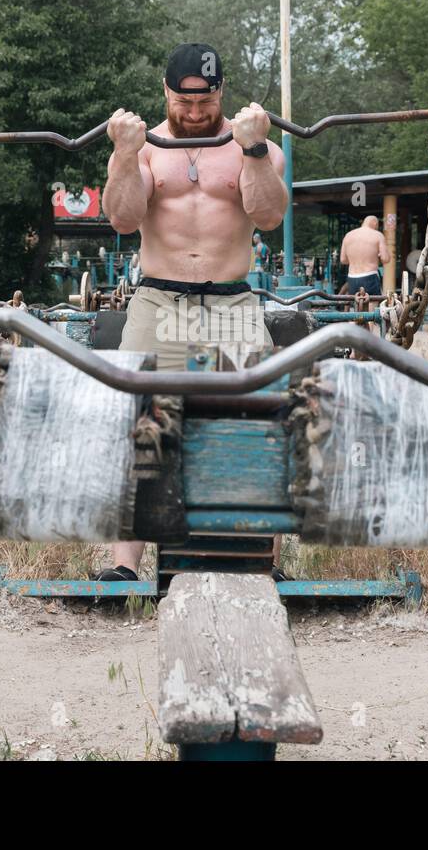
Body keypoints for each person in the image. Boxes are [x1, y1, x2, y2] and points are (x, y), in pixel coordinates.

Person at [94, 42, 288, 583]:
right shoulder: (146, 147)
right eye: (184, 103)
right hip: (159, 298)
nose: (196, 114)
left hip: (229, 299)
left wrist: (252, 151)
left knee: (256, 418)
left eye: (205, 103)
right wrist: (126, 155)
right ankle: (124, 565)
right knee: (139, 420)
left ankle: (260, 562)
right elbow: (123, 219)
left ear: (221, 92)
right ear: (166, 93)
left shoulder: (256, 144)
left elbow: (268, 216)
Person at [340, 215, 389, 297]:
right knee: (373, 305)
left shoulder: (348, 235)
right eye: (377, 225)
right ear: (375, 223)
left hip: (352, 277)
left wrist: (356, 259)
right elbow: (385, 259)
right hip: (370, 276)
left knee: (356, 305)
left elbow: (343, 260)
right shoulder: (378, 235)